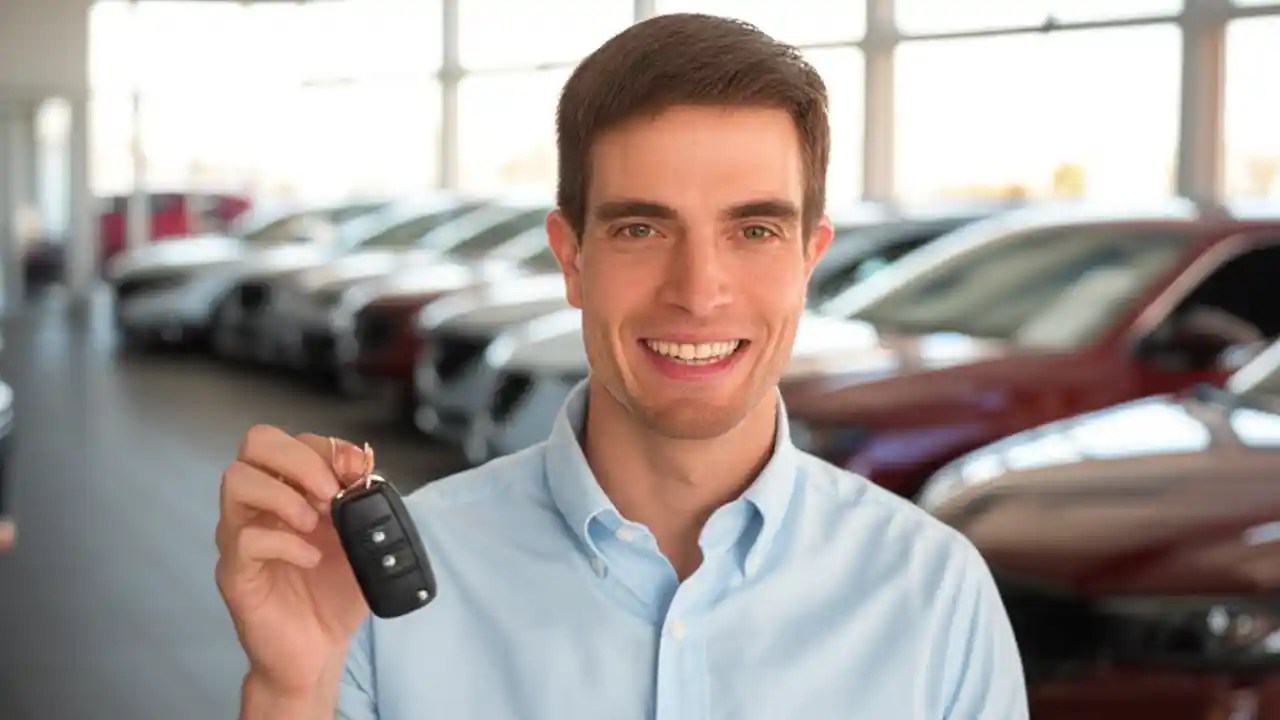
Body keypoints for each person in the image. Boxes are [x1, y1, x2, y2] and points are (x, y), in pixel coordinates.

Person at [215, 13, 1028, 719]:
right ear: (571, 260)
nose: (700, 293)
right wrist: (292, 692)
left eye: (754, 231)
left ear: (810, 258)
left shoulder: (934, 594)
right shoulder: (377, 593)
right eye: (643, 229)